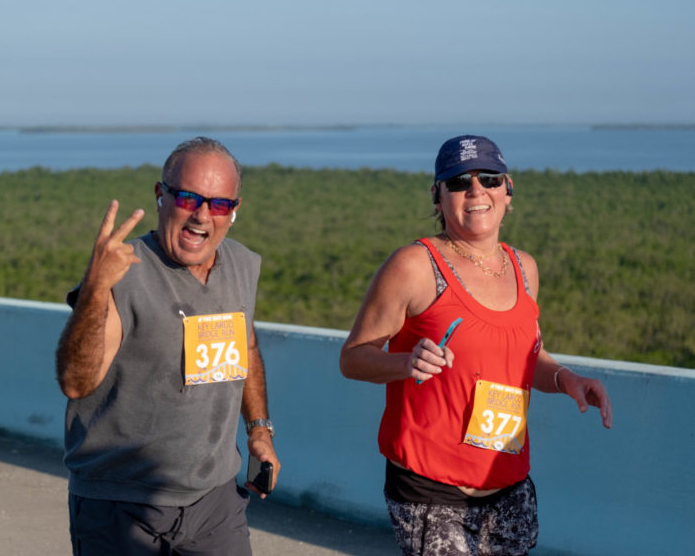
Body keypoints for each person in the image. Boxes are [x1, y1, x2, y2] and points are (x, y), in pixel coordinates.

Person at [339, 135, 612, 556]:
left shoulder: (524, 268)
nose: (476, 191)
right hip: (433, 490)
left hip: (509, 485)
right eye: (458, 182)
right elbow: (353, 359)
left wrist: (565, 378)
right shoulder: (414, 266)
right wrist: (405, 362)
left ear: (508, 191)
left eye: (489, 178)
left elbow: (525, 358)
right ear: (437, 196)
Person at [55, 136, 280, 556]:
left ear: (234, 211)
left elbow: (245, 347)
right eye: (188, 198)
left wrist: (259, 431)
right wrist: (97, 289)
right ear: (161, 195)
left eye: (218, 204)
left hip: (214, 505)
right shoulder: (125, 273)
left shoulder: (242, 265)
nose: (201, 216)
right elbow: (75, 381)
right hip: (120, 504)